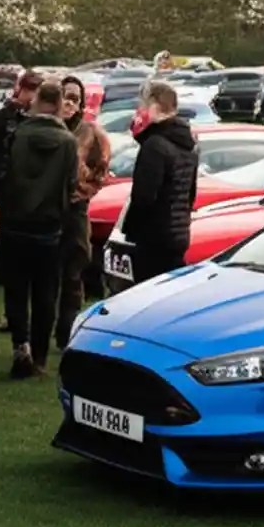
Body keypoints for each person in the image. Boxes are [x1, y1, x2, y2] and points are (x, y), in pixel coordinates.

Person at [2, 80, 77, 378]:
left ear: (36, 102)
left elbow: (6, 173)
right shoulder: (69, 142)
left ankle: (21, 346)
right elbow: (71, 184)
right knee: (46, 293)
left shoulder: (18, 135)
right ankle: (41, 355)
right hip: (50, 226)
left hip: (15, 222)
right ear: (59, 104)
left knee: (16, 289)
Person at [0, 69, 42, 331]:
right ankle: (13, 315)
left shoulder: (34, 122)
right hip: (9, 198)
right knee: (13, 262)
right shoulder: (2, 120)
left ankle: (21, 316)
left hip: (27, 199)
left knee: (26, 265)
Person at [55, 76, 111, 350]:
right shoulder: (47, 128)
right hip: (46, 211)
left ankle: (66, 332)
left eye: (75, 98)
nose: (69, 103)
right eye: (65, 96)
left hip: (75, 211)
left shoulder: (90, 133)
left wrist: (82, 191)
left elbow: (101, 171)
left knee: (73, 272)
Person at [123, 81, 198, 283]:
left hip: (152, 236)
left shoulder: (155, 145)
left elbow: (144, 197)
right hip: (178, 232)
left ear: (154, 106)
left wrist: (131, 229)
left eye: (143, 106)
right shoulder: (187, 143)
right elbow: (190, 193)